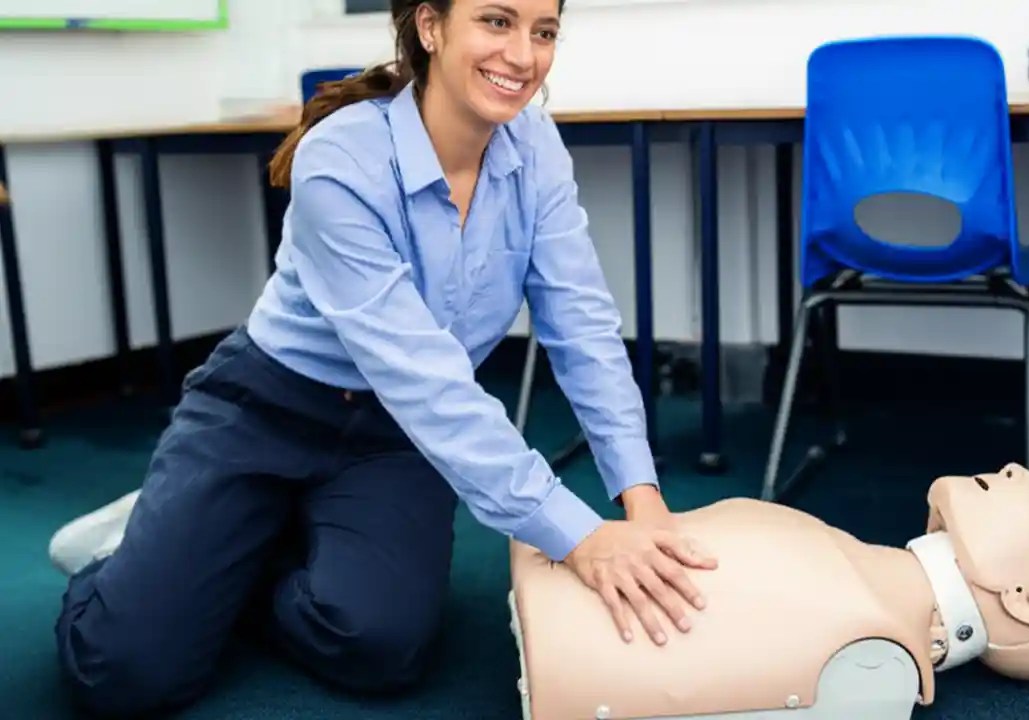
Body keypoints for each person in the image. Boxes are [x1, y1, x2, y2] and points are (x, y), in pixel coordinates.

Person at [47, 0, 717, 716]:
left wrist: (640, 501)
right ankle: (129, 551)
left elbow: (581, 323)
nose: (523, 55)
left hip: (393, 435)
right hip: (267, 404)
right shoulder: (338, 158)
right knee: (124, 670)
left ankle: (233, 552)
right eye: (496, 22)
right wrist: (580, 536)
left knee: (378, 645)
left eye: (543, 31)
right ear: (430, 27)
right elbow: (423, 380)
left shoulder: (535, 147)